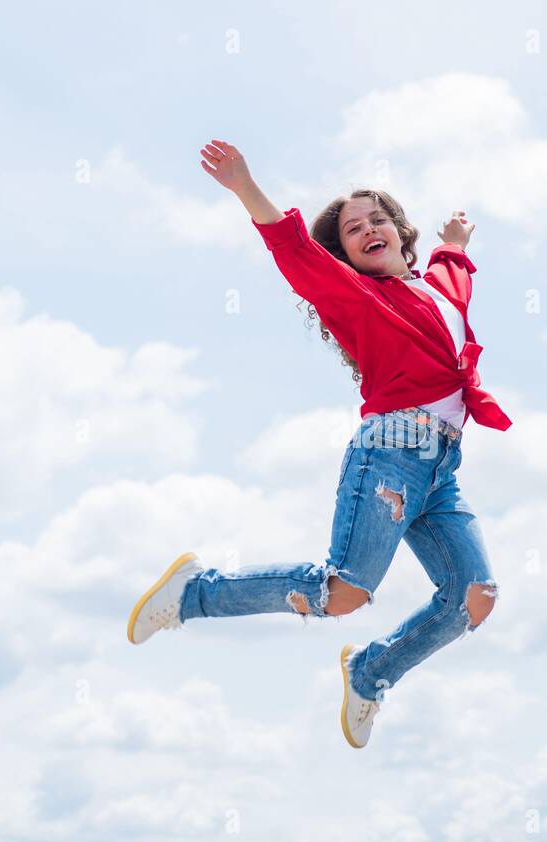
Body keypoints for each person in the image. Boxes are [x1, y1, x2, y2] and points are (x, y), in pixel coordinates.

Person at [127, 139, 511, 749]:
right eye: (353, 230)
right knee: (342, 594)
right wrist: (245, 186)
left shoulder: (440, 288)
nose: (367, 229)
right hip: (389, 451)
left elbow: (453, 268)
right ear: (348, 256)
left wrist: (456, 239)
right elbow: (296, 251)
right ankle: (193, 594)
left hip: (441, 469)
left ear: (399, 233)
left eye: (377, 219)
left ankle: (371, 671)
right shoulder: (354, 297)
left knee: (474, 597)